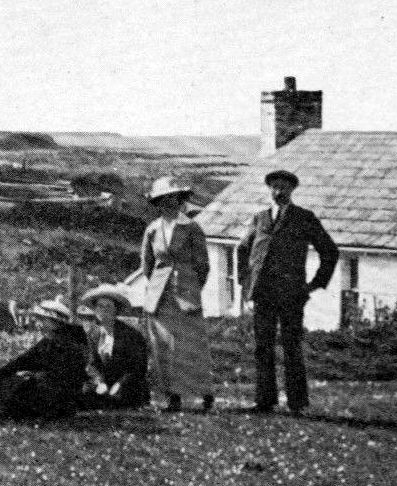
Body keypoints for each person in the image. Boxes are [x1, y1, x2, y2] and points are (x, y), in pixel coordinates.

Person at [235, 169, 339, 415]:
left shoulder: (304, 217)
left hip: (292, 293)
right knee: (263, 346)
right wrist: (245, 282)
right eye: (274, 187)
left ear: (292, 190)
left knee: (292, 346)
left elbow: (330, 251)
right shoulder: (259, 218)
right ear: (268, 189)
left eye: (284, 187)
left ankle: (297, 403)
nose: (279, 191)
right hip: (263, 293)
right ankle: (264, 400)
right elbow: (242, 249)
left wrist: (314, 284)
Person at [139, 176, 215, 413]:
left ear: (180, 200)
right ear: (159, 202)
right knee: (163, 345)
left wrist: (191, 286)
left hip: (186, 294)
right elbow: (147, 264)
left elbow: (203, 265)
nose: (170, 203)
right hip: (160, 296)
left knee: (190, 346)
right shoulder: (152, 229)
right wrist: (156, 286)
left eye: (174, 198)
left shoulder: (192, 228)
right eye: (164, 199)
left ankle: (204, 393)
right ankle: (172, 396)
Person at [0, 299, 89, 420]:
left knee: (19, 386)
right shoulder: (48, 341)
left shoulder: (69, 344)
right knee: (11, 380)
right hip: (45, 388)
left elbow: (64, 375)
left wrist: (32, 376)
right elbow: (23, 361)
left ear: (54, 322)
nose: (38, 324)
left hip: (60, 398)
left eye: (42, 320)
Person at [77, 285, 150, 410]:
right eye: (100, 306)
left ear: (116, 310)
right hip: (104, 385)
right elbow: (91, 364)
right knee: (84, 393)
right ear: (94, 310)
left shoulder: (131, 335)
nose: (103, 310)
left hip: (127, 384)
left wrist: (119, 384)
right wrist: (99, 382)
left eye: (108, 306)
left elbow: (138, 367)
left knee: (121, 396)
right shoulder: (92, 334)